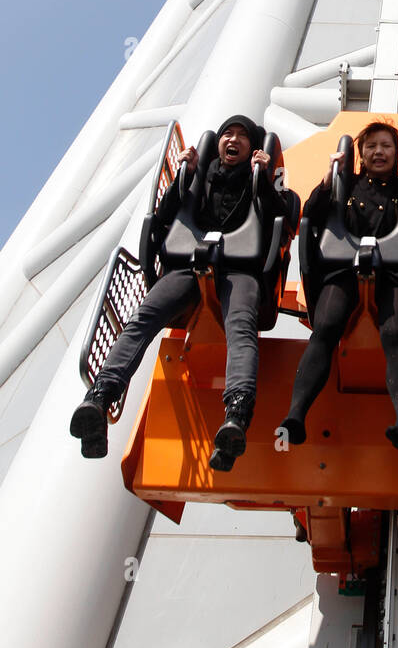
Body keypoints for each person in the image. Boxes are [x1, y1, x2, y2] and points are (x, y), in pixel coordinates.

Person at [70, 115, 298, 471]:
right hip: (186, 266)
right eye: (227, 134)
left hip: (241, 271)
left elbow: (283, 221)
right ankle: (100, 397)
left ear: (253, 148)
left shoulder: (267, 183)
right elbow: (163, 219)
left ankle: (237, 412)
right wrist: (183, 176)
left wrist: (264, 179)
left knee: (241, 327)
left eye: (241, 136)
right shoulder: (198, 180)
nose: (232, 140)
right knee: (142, 318)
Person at [280, 122, 398, 450]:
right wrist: (327, 182)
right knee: (325, 327)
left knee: (395, 333)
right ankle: (296, 414)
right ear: (361, 153)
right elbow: (311, 215)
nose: (378, 152)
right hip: (343, 270)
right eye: (371, 147)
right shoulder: (346, 186)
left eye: (386, 146)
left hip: (397, 274)